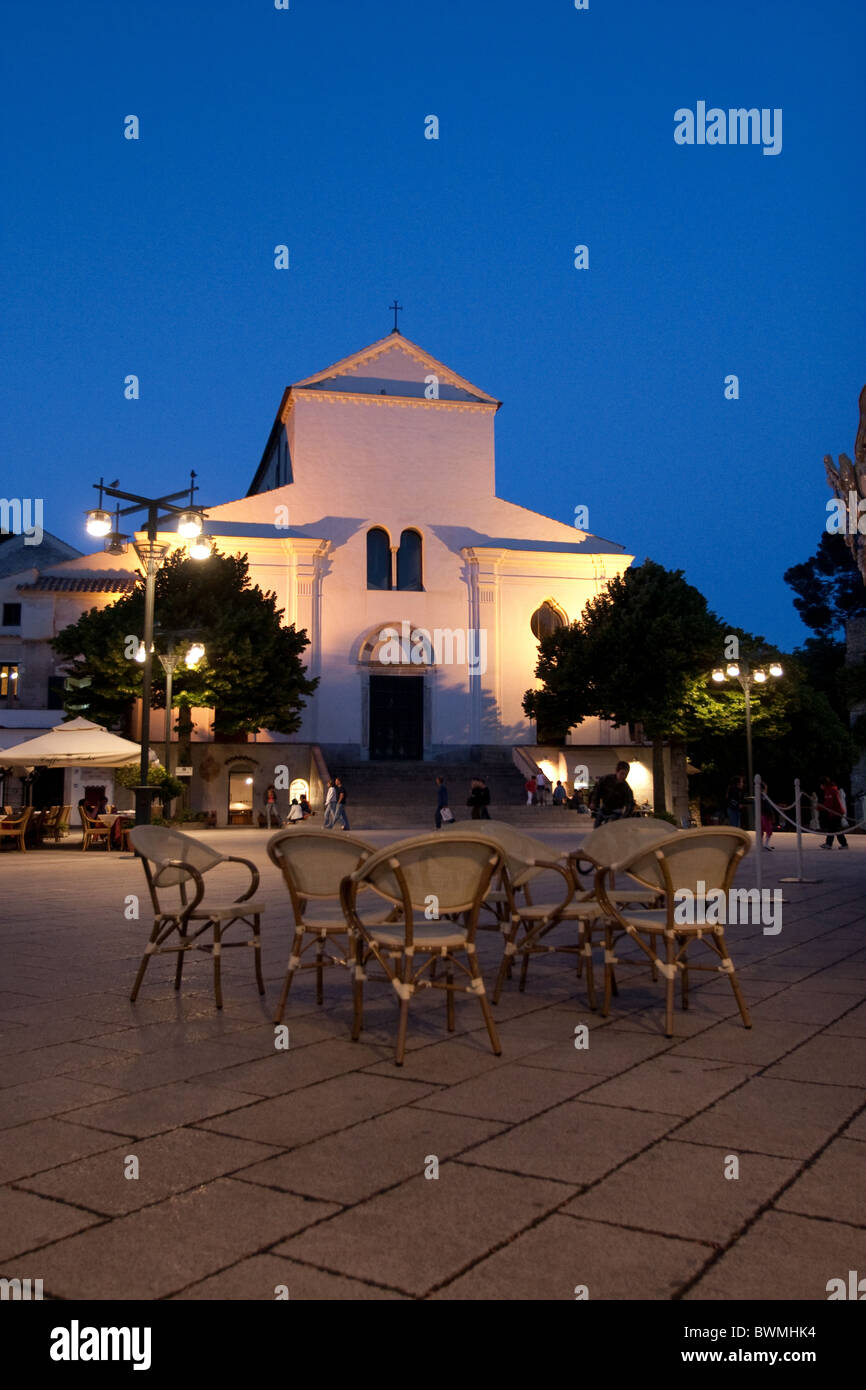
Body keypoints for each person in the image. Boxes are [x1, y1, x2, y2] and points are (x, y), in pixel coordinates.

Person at [590, 761, 635, 828]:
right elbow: (597, 790)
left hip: (616, 811)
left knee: (610, 825)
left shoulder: (626, 788)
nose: (623, 777)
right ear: (617, 772)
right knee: (596, 826)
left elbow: (630, 804)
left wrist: (624, 817)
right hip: (604, 808)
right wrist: (594, 802)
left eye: (626, 774)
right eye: (622, 774)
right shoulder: (606, 779)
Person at [818, 776, 848, 848]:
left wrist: (819, 807)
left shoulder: (830, 791)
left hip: (836, 813)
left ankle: (843, 844)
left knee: (835, 828)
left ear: (824, 784)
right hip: (834, 812)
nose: (820, 786)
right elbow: (828, 803)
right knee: (832, 828)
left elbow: (829, 804)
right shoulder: (829, 790)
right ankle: (829, 844)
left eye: (821, 784)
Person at [759, 782, 774, 850]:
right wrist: (771, 815)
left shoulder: (762, 796)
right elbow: (767, 807)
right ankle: (766, 844)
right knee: (768, 830)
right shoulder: (763, 796)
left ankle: (763, 844)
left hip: (763, 815)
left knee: (762, 830)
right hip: (765, 815)